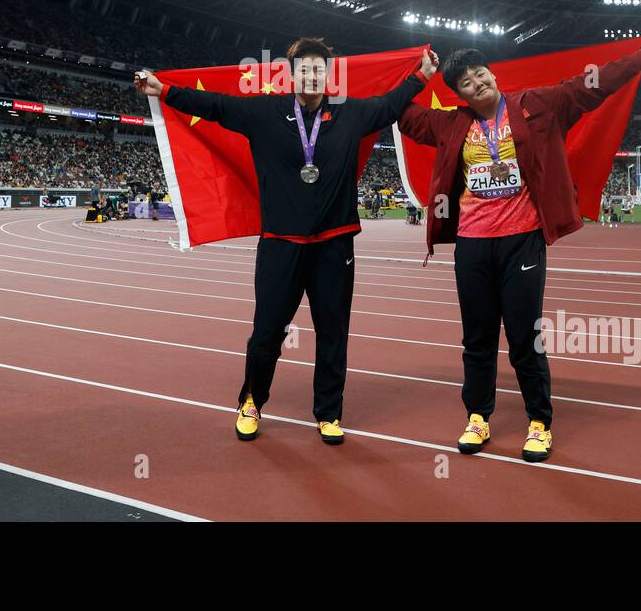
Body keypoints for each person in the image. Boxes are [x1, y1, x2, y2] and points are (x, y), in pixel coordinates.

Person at [135, 38, 437, 445]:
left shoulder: (351, 113)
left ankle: (328, 413)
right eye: (304, 70)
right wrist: (165, 91)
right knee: (266, 332)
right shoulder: (264, 113)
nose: (311, 76)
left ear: (327, 76)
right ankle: (251, 402)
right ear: (290, 75)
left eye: (318, 70)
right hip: (280, 243)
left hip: (335, 244)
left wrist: (422, 76)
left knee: (333, 332)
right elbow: (217, 106)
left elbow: (390, 104)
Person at [397, 35, 641, 462]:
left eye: (480, 73)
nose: (476, 83)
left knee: (525, 338)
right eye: (464, 82)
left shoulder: (537, 104)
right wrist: (418, 78)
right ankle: (477, 417)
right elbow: (403, 115)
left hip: (521, 241)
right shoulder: (450, 124)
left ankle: (539, 422)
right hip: (472, 244)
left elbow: (590, 86)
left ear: (493, 74)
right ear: (457, 93)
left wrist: (640, 58)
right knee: (478, 339)